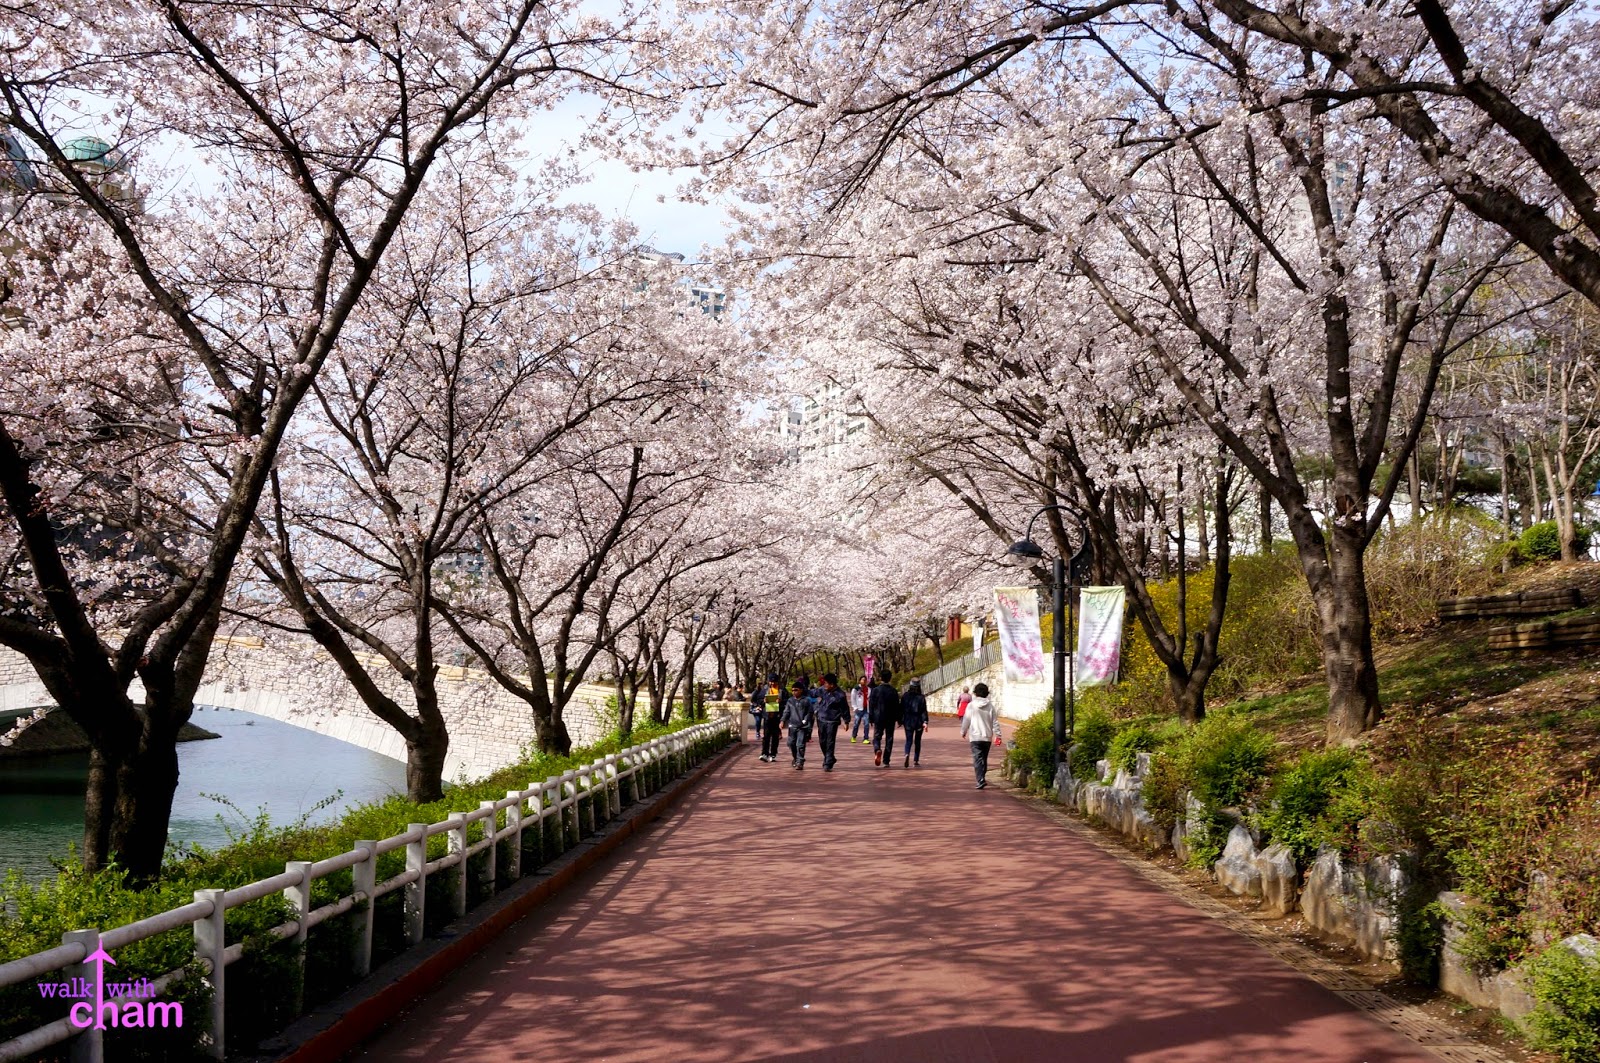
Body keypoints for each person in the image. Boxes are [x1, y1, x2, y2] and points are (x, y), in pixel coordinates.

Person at [960, 682, 1002, 789]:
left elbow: (966, 719)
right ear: (987, 693)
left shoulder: (971, 705)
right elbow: (995, 722)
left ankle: (980, 779)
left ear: (975, 693)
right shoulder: (990, 706)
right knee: (984, 758)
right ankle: (982, 777)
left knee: (977, 758)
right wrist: (998, 735)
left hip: (975, 736)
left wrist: (963, 731)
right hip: (987, 736)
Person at [813, 673, 851, 772]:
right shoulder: (823, 690)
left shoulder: (840, 695)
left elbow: (845, 709)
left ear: (832, 684)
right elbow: (813, 693)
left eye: (826, 683)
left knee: (830, 742)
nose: (824, 685)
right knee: (822, 741)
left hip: (832, 720)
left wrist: (846, 721)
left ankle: (828, 763)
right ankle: (830, 758)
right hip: (821, 719)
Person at [868, 670, 901, 768]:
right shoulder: (893, 691)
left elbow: (871, 705)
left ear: (880, 678)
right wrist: (899, 719)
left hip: (879, 717)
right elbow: (897, 706)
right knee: (889, 738)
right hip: (891, 717)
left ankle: (877, 749)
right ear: (890, 678)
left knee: (877, 736)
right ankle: (886, 760)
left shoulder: (875, 690)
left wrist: (871, 718)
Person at [781, 681, 814, 770]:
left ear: (801, 690)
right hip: (792, 726)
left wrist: (805, 720)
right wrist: (782, 721)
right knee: (791, 743)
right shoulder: (790, 700)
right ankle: (795, 758)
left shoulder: (806, 700)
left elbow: (810, 712)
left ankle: (800, 762)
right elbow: (786, 711)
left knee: (800, 744)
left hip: (802, 727)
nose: (794, 692)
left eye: (796, 690)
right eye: (792, 690)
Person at [900, 678, 928, 768]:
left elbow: (901, 709)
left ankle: (907, 753)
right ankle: (916, 760)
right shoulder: (921, 697)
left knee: (908, 740)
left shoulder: (905, 696)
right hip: (918, 721)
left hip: (908, 721)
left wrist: (900, 720)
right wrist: (925, 721)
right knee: (917, 741)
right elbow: (923, 711)